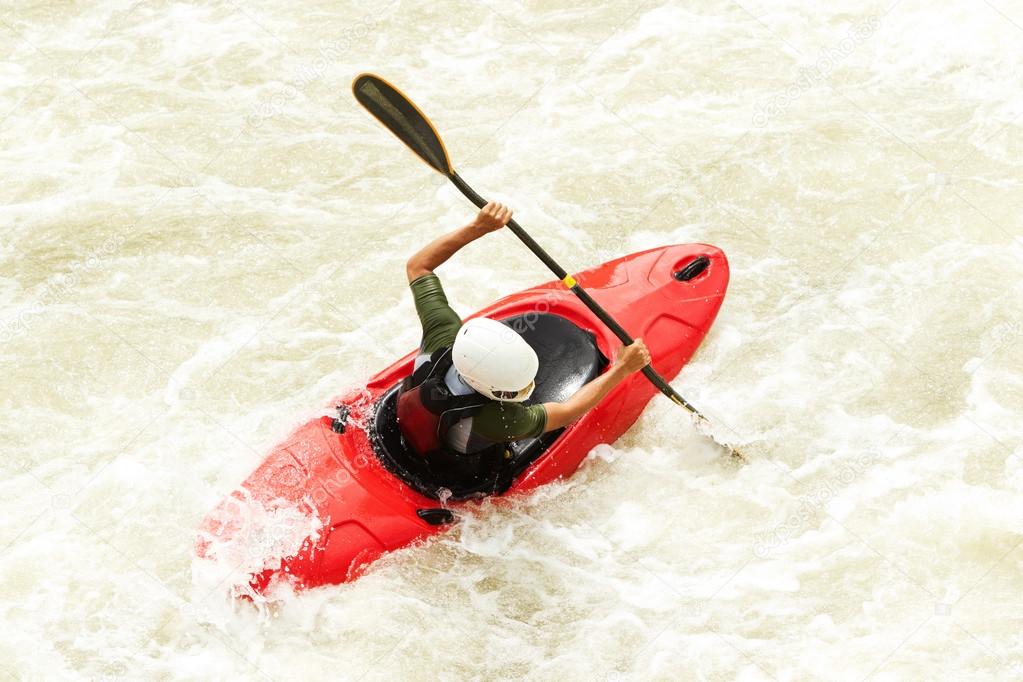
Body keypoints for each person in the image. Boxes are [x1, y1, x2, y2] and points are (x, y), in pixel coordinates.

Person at [397, 201, 651, 459]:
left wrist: (478, 227)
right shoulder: (502, 419)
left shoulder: (441, 335)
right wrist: (623, 368)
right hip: (452, 461)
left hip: (409, 424)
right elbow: (567, 413)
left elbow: (418, 266)